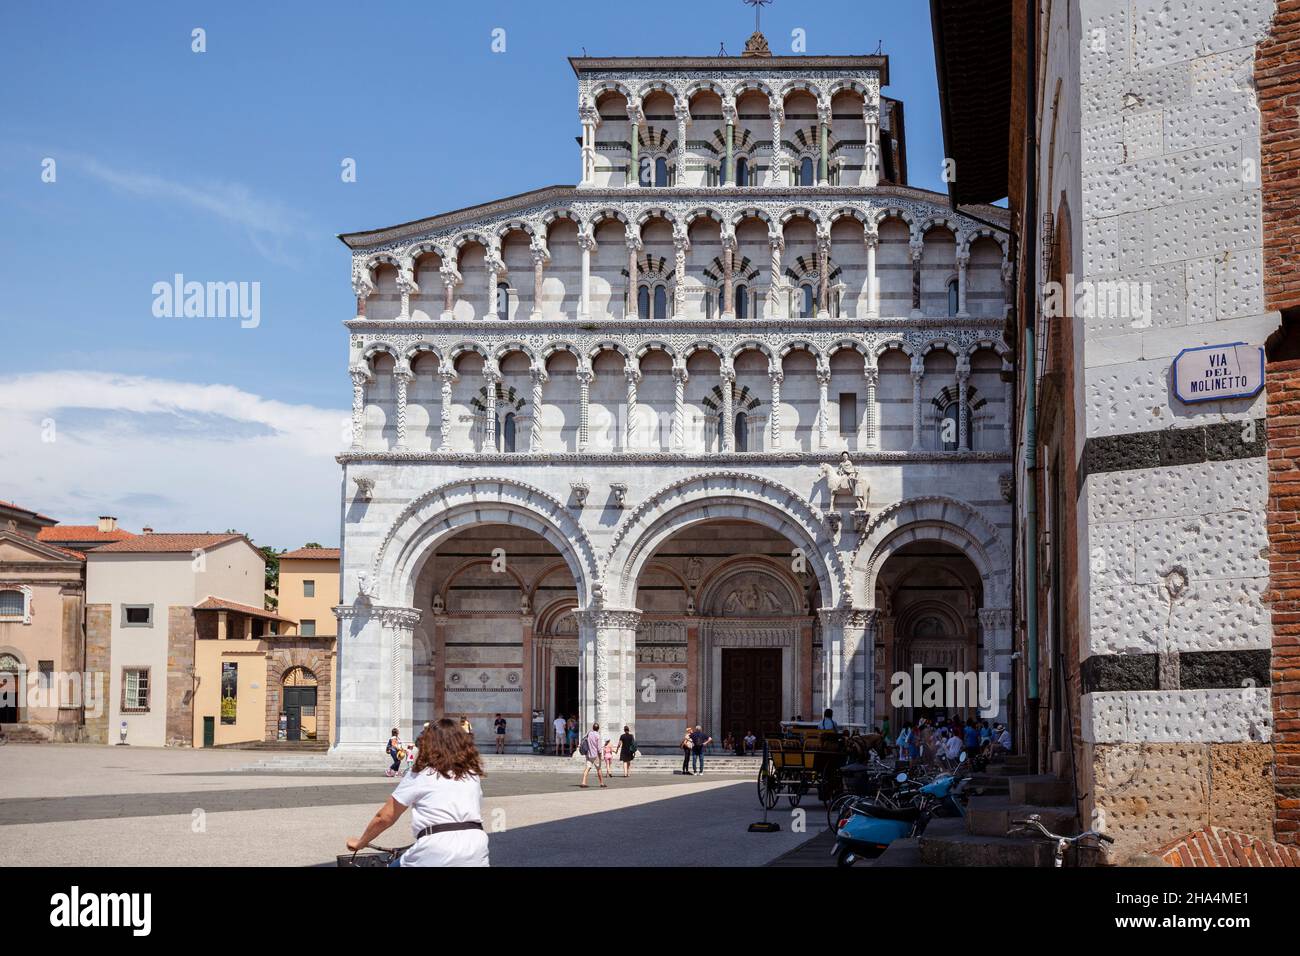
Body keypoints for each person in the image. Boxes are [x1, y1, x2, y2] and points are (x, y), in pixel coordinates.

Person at [347, 717, 489, 867]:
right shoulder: (472, 774)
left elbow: (385, 816)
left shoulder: (423, 773)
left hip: (436, 850)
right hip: (476, 847)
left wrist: (361, 843)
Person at [580, 723, 606, 788]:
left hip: (588, 754)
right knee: (598, 769)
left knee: (587, 768)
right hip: (595, 755)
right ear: (598, 728)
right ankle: (601, 783)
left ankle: (583, 782)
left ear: (593, 727)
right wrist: (600, 756)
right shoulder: (598, 736)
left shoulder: (589, 734)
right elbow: (599, 748)